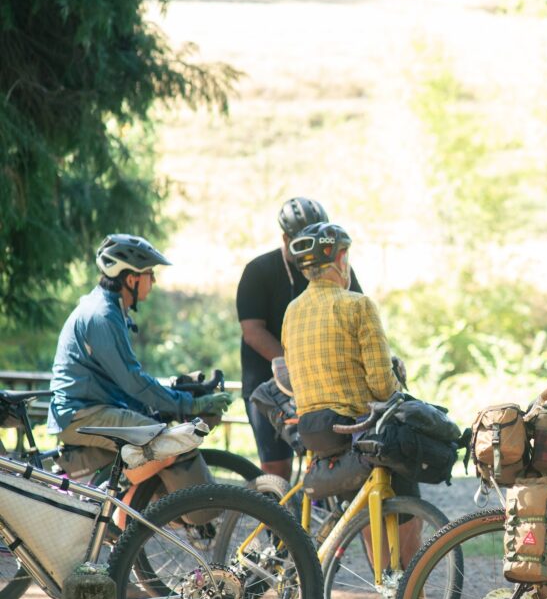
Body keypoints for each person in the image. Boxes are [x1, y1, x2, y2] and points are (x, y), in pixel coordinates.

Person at [280, 222, 423, 563]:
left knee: (364, 495)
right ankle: (407, 592)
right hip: (357, 428)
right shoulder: (358, 305)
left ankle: (387, 580)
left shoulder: (291, 311)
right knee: (407, 488)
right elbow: (381, 385)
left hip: (315, 431)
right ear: (341, 259)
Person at [48, 234, 233, 492]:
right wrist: (191, 404)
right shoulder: (102, 316)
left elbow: (127, 381)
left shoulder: (111, 309)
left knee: (152, 430)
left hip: (90, 408)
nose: (154, 281)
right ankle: (113, 493)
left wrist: (172, 398)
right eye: (150, 273)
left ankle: (120, 524)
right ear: (132, 278)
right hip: (80, 414)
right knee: (159, 439)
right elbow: (133, 381)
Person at [236, 197, 362, 479]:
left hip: (324, 383)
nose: (312, 246)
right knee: (276, 468)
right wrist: (295, 361)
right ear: (285, 237)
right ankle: (277, 521)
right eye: (302, 240)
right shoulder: (259, 271)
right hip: (267, 384)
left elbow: (357, 312)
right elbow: (253, 331)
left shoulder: (337, 269)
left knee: (334, 461)